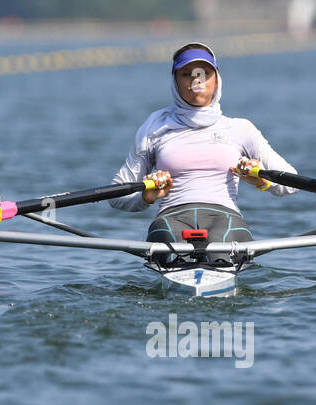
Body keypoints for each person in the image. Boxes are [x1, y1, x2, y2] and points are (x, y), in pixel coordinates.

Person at [109, 42, 297, 256]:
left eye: (204, 73)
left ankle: (208, 270)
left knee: (219, 243)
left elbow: (291, 182)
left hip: (225, 218)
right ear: (175, 82)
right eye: (187, 74)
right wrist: (147, 197)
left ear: (216, 80)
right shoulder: (154, 128)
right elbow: (117, 196)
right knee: (170, 238)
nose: (196, 80)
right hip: (172, 217)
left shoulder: (240, 129)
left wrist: (262, 182)